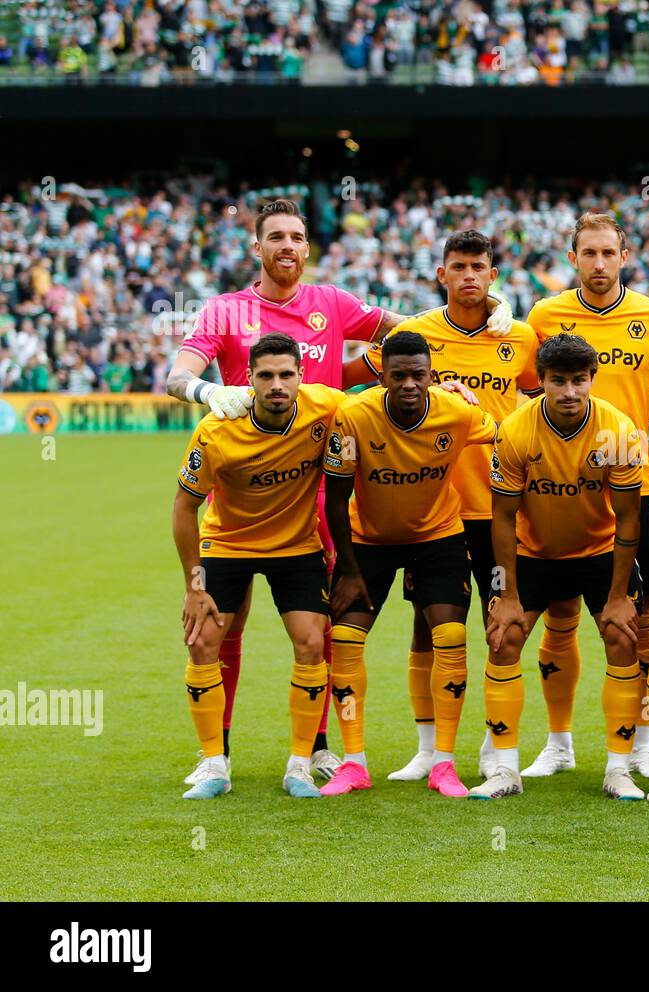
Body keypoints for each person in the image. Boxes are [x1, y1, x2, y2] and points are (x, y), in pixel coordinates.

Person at [167, 198, 492, 787]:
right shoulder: (224, 310)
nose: (287, 246)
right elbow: (175, 375)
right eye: (276, 237)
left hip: (330, 487)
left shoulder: (333, 303)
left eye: (296, 236)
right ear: (256, 247)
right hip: (250, 489)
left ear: (307, 247)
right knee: (226, 627)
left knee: (321, 629)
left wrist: (476, 316)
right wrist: (207, 393)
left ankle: (317, 747)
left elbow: (410, 334)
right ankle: (218, 750)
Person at [342, 230, 541, 784]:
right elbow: (345, 379)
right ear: (441, 274)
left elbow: (539, 396)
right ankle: (429, 750)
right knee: (430, 624)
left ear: (494, 276)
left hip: (502, 504)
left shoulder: (519, 336)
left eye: (480, 266)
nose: (470, 275)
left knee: (502, 623)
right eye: (459, 266)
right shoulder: (414, 335)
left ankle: (495, 747)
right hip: (438, 511)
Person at [510, 212, 649, 782]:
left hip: (637, 485)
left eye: (609, 253)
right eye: (589, 253)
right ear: (572, 258)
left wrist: (641, 418)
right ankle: (559, 743)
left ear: (625, 255)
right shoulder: (545, 315)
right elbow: (528, 381)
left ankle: (642, 742)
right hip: (561, 482)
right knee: (559, 615)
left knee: (642, 620)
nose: (600, 263)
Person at [320, 331, 498, 797]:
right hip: (368, 540)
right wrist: (350, 568)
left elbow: (500, 430)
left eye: (418, 375)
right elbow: (336, 500)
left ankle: (443, 763)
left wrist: (472, 397)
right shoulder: (353, 417)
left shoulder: (456, 414)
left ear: (432, 377)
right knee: (343, 638)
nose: (408, 384)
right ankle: (353, 763)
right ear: (381, 378)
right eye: (397, 375)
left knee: (451, 635)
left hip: (437, 536)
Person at [475, 333, 646, 800]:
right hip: (535, 554)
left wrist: (616, 597)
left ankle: (618, 768)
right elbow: (503, 517)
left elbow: (631, 517)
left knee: (622, 637)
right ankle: (504, 770)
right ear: (541, 382)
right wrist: (506, 594)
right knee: (503, 637)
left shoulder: (618, 430)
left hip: (599, 553)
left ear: (593, 379)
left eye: (578, 381)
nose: (569, 392)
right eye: (557, 381)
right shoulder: (515, 430)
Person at [173, 333, 343, 800]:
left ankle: (300, 766)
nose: (276, 385)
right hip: (227, 544)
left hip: (295, 546)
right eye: (265, 375)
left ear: (301, 377)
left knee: (312, 643)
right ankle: (214, 765)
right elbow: (184, 507)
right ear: (248, 379)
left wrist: (444, 389)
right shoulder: (217, 429)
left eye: (286, 375)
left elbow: (376, 401)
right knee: (204, 640)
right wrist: (194, 585)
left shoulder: (324, 407)